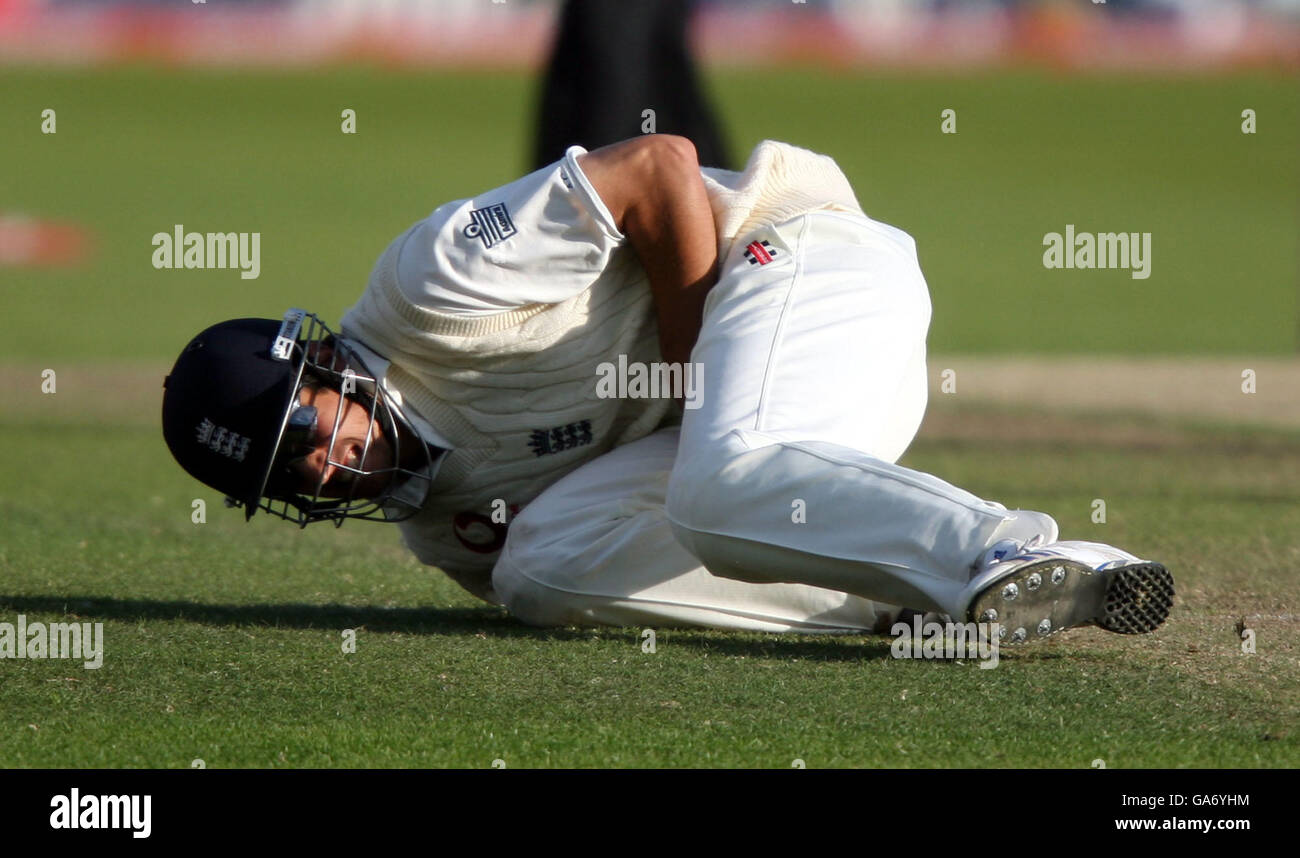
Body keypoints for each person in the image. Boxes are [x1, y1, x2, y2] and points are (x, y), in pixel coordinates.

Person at [162, 134, 1174, 642]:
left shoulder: (430, 284)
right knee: (538, 576)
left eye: (304, 422)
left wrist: (692, 384)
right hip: (802, 438)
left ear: (324, 365)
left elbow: (656, 166)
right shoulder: (441, 530)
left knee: (716, 485)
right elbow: (626, 562)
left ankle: (1013, 549)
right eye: (289, 472)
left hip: (803, 269)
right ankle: (918, 608)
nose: (325, 461)